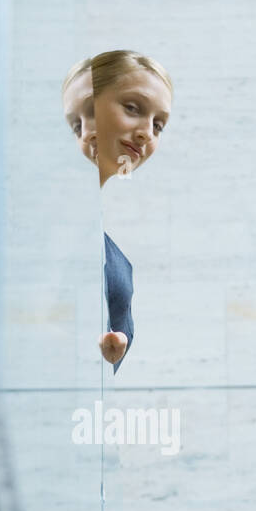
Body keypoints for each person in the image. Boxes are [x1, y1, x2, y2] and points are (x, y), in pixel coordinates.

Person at [61, 51, 173, 370]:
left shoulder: (103, 246)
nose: (147, 133)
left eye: (158, 124)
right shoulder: (42, 219)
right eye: (133, 108)